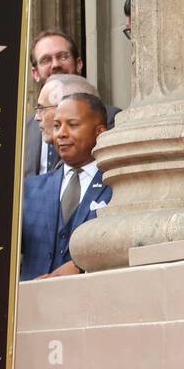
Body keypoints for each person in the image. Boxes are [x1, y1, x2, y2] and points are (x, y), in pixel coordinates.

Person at [20, 93, 112, 280]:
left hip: (94, 302)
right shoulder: (28, 189)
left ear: (99, 132)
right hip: (33, 304)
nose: (61, 133)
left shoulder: (115, 185)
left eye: (72, 124)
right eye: (56, 125)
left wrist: (81, 265)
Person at [23, 31, 120, 175]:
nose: (55, 64)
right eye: (46, 60)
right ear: (35, 73)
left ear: (79, 64)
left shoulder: (111, 119)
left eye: (63, 56)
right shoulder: (23, 130)